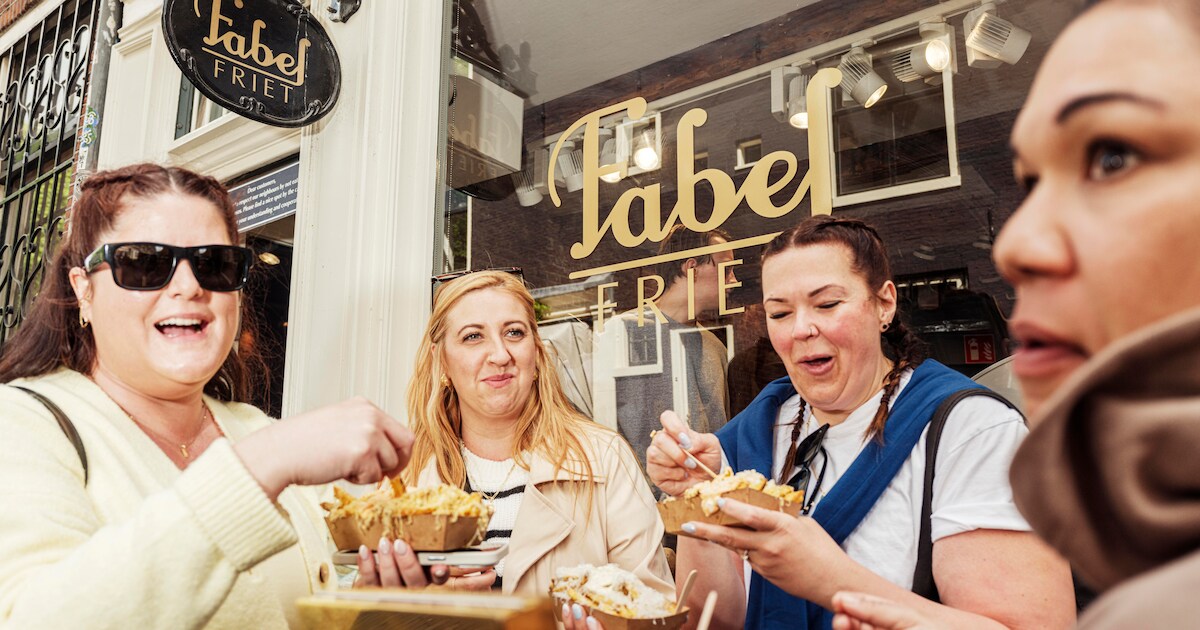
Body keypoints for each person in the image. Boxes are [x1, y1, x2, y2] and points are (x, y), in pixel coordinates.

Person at [831, 1, 1200, 628]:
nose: (1015, 247)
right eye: (1033, 186)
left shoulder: (972, 423)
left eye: (1112, 157)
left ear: (885, 305)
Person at [0, 163, 416, 628]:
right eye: (144, 263)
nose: (189, 286)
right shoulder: (22, 425)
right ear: (84, 292)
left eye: (214, 264)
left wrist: (377, 610)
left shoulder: (254, 427)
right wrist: (263, 463)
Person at [646, 216, 1075, 629]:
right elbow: (713, 620)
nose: (800, 329)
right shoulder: (754, 429)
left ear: (884, 304)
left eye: (827, 304)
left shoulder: (972, 432)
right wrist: (697, 498)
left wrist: (832, 578)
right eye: (779, 313)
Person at [364, 269, 674, 599]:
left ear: (536, 353)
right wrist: (421, 603)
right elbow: (368, 609)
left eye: (514, 333)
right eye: (473, 336)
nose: (500, 355)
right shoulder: (404, 478)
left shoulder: (604, 459)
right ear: (441, 362)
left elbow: (652, 604)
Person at [593, 225, 735, 474]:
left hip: (708, 490)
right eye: (726, 268)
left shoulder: (716, 347)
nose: (733, 279)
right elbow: (604, 429)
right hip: (638, 491)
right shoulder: (624, 332)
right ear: (691, 268)